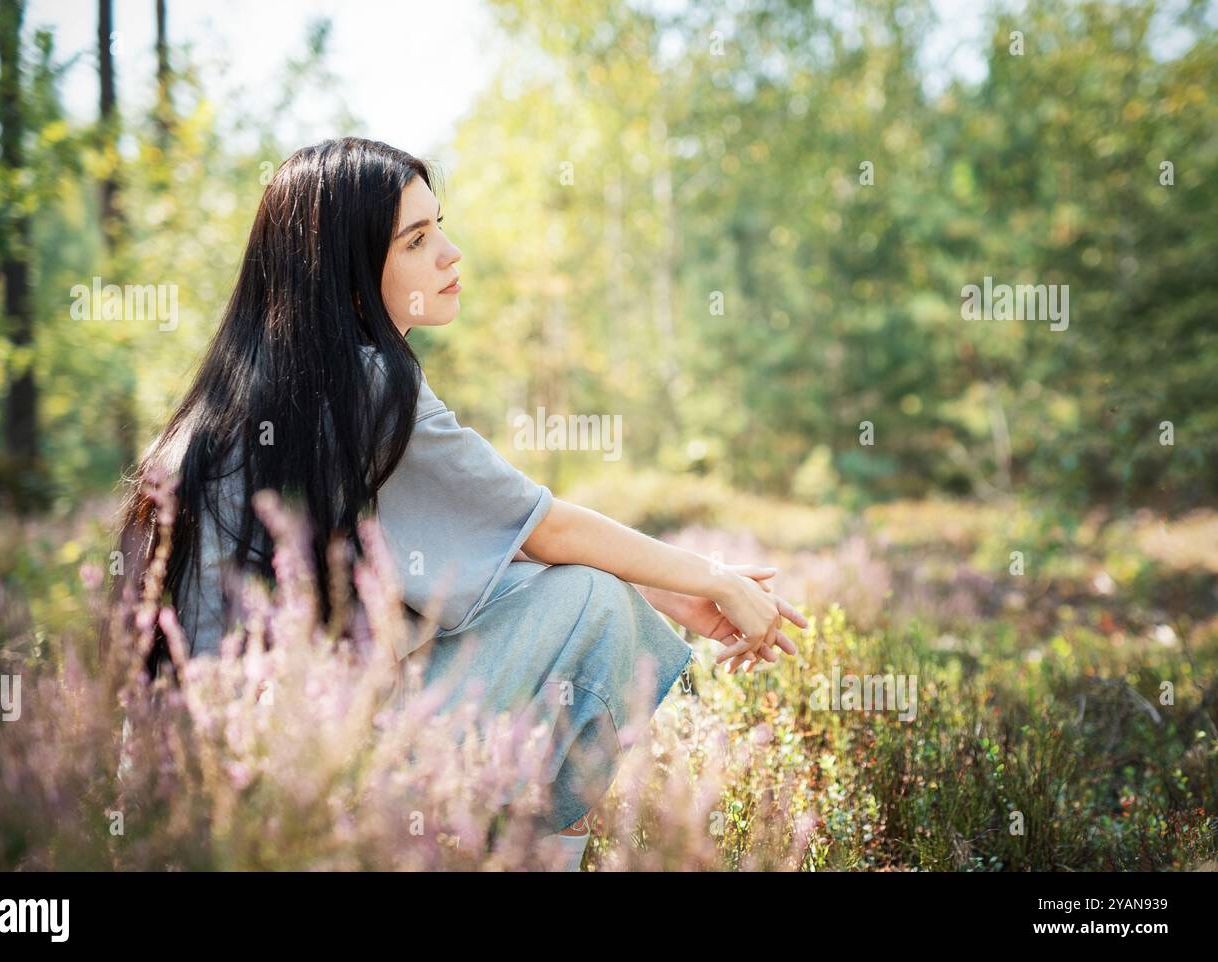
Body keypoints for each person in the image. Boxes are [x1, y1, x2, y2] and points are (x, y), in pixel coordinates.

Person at [111, 136, 807, 870]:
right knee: (598, 608)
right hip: (289, 779)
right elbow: (547, 529)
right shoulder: (367, 384)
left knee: (575, 593)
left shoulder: (239, 398)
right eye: (416, 239)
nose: (450, 253)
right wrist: (716, 579)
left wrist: (674, 595)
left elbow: (490, 555)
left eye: (438, 225)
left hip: (193, 792)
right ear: (346, 274)